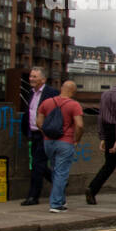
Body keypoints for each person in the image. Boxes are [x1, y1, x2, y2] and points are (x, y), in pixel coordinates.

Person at [85, 66, 116, 205]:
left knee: (110, 164)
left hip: (107, 130)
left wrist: (102, 137)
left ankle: (92, 188)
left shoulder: (105, 94)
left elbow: (100, 116)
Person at [35, 80, 84, 213]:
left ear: (61, 88)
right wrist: (76, 139)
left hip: (48, 142)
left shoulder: (47, 102)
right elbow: (79, 125)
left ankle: (61, 201)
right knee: (61, 173)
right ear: (73, 91)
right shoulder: (74, 105)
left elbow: (38, 122)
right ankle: (56, 204)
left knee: (56, 170)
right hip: (65, 141)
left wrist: (46, 133)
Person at [20, 66, 60, 205]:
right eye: (31, 76)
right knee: (38, 165)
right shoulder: (30, 93)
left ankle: (33, 196)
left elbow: (55, 114)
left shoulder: (52, 93)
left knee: (37, 164)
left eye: (34, 77)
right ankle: (59, 181)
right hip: (33, 133)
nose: (31, 79)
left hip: (45, 134)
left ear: (43, 79)